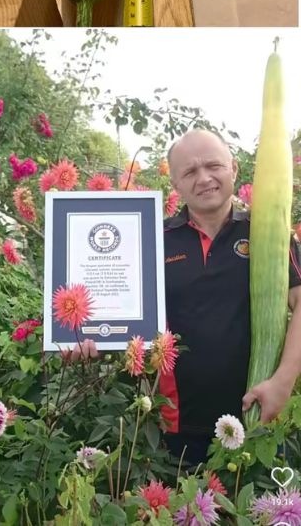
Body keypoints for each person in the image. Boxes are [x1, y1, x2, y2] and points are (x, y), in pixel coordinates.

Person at [70, 129, 301, 467]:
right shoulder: (151, 239)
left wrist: (283, 380)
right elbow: (115, 302)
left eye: (213, 165)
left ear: (234, 168)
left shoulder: (268, 231)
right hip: (173, 427)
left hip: (258, 416)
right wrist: (85, 335)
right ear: (175, 185)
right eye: (190, 172)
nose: (204, 178)